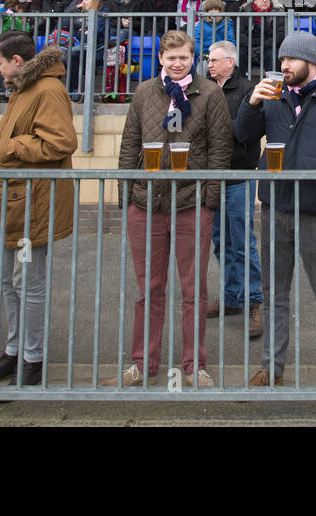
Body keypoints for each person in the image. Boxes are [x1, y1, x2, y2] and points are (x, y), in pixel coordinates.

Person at [233, 31, 316, 414]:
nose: (283, 68)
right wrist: (250, 102)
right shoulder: (274, 96)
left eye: (289, 61)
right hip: (274, 209)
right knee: (274, 293)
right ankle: (271, 369)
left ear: (310, 61)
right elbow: (242, 138)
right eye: (281, 62)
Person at [115, 29, 232, 388]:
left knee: (192, 290)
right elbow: (130, 142)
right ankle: (142, 363)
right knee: (148, 288)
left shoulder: (210, 94)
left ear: (192, 58)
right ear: (161, 59)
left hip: (191, 203)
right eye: (171, 58)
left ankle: (195, 364)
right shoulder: (145, 92)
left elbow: (220, 149)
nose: (178, 63)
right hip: (146, 202)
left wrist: (210, 199)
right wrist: (126, 193)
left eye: (184, 57)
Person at [0, 32, 78, 387]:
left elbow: (61, 141)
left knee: (28, 284)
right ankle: (13, 354)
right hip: (17, 199)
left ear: (17, 62)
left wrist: (7, 146)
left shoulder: (47, 90)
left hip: (36, 201)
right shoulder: (25, 88)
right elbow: (21, 138)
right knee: (9, 282)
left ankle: (32, 361)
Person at [205, 40, 264, 338]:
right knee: (221, 240)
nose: (209, 64)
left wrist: (216, 130)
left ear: (230, 61)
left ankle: (255, 302)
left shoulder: (248, 89)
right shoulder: (204, 88)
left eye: (214, 60)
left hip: (239, 173)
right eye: (207, 60)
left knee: (243, 242)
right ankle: (231, 298)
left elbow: (248, 131)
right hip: (213, 176)